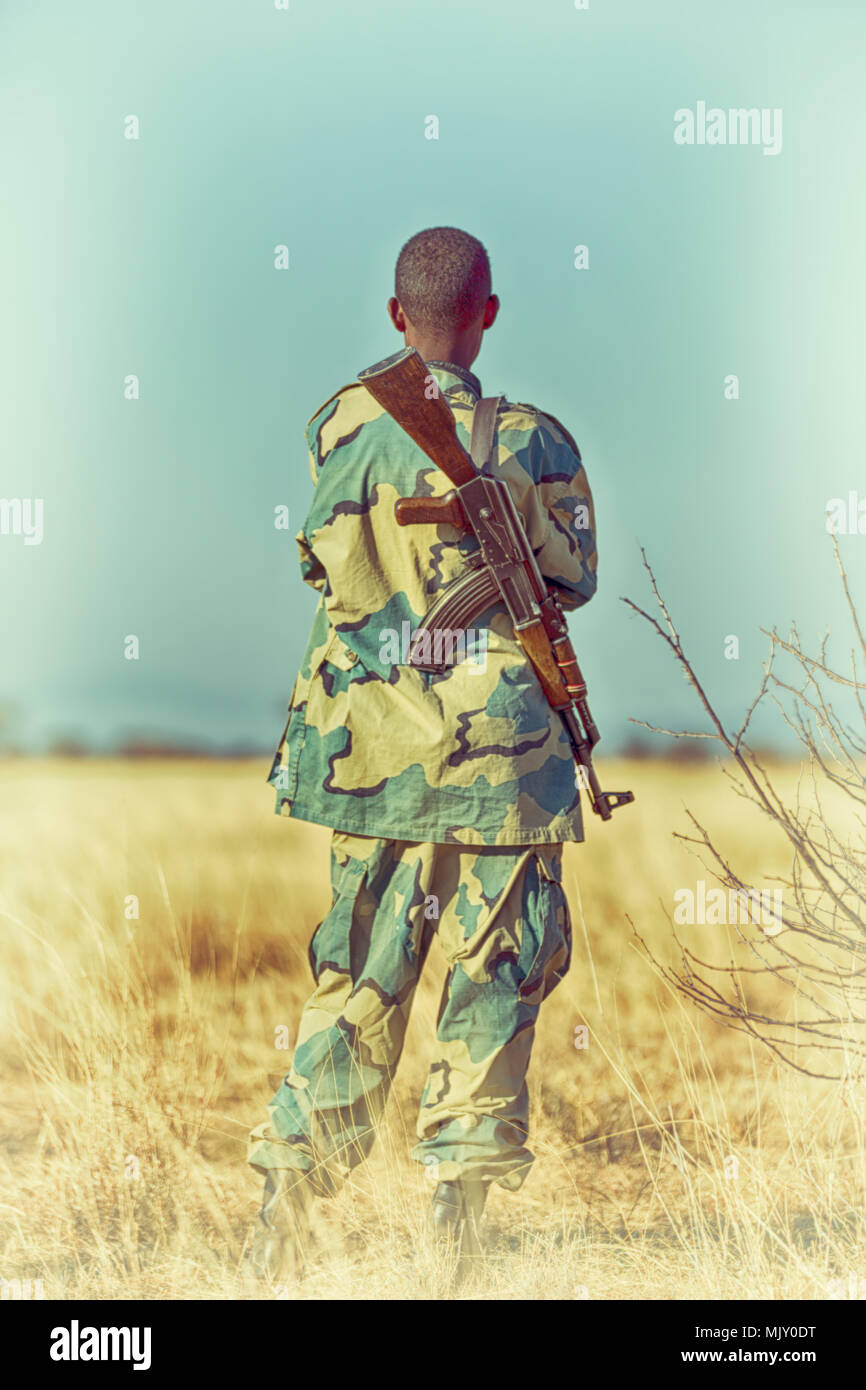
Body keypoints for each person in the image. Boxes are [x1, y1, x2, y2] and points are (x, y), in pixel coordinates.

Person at [248, 226, 598, 1279]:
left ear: (396, 316)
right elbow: (569, 576)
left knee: (357, 976)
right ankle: (459, 1220)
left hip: (371, 752)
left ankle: (286, 1202)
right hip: (502, 764)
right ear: (487, 312)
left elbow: (325, 568)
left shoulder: (338, 426)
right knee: (493, 974)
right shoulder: (534, 440)